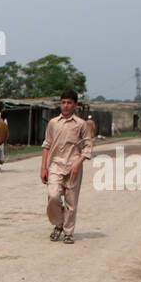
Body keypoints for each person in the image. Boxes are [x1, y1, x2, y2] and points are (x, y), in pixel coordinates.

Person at [39, 88, 93, 244]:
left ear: (75, 105)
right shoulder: (53, 123)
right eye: (63, 102)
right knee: (53, 195)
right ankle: (58, 223)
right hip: (55, 164)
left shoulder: (81, 125)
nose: (66, 106)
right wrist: (44, 167)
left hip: (73, 166)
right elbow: (47, 145)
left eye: (69, 103)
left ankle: (68, 232)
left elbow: (87, 147)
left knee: (71, 201)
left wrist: (78, 164)